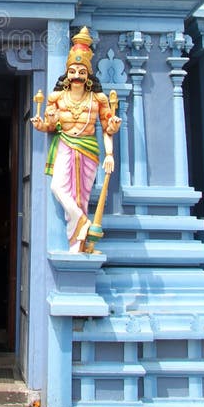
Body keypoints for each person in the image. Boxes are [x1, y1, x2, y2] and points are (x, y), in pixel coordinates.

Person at [32, 27, 121, 253]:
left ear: (88, 75)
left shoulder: (98, 99)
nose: (77, 76)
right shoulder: (56, 97)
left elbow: (107, 129)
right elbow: (50, 126)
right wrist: (40, 125)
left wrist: (109, 153)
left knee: (81, 196)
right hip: (64, 144)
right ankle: (82, 220)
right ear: (67, 74)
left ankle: (78, 245)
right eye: (73, 71)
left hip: (88, 148)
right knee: (58, 187)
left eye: (82, 71)